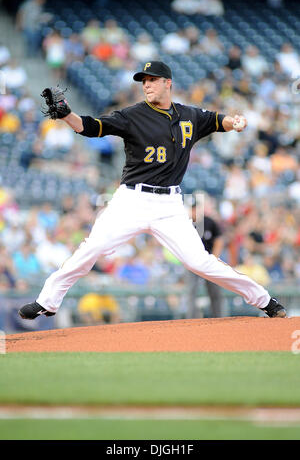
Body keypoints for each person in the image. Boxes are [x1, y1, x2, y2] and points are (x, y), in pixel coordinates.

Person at [19, 60, 286, 320]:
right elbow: (92, 127)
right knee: (93, 247)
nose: (146, 85)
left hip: (169, 205)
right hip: (132, 200)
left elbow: (217, 120)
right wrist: (68, 116)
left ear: (167, 83)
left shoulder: (189, 116)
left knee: (199, 262)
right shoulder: (132, 115)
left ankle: (264, 301)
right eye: (143, 81)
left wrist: (234, 121)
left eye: (152, 80)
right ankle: (47, 302)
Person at [185, 194, 224, 318]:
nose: (193, 210)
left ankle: (219, 318)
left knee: (214, 292)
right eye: (191, 208)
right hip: (192, 262)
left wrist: (215, 257)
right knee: (191, 292)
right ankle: (191, 320)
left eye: (195, 207)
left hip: (208, 261)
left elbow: (219, 239)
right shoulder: (185, 224)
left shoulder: (208, 222)